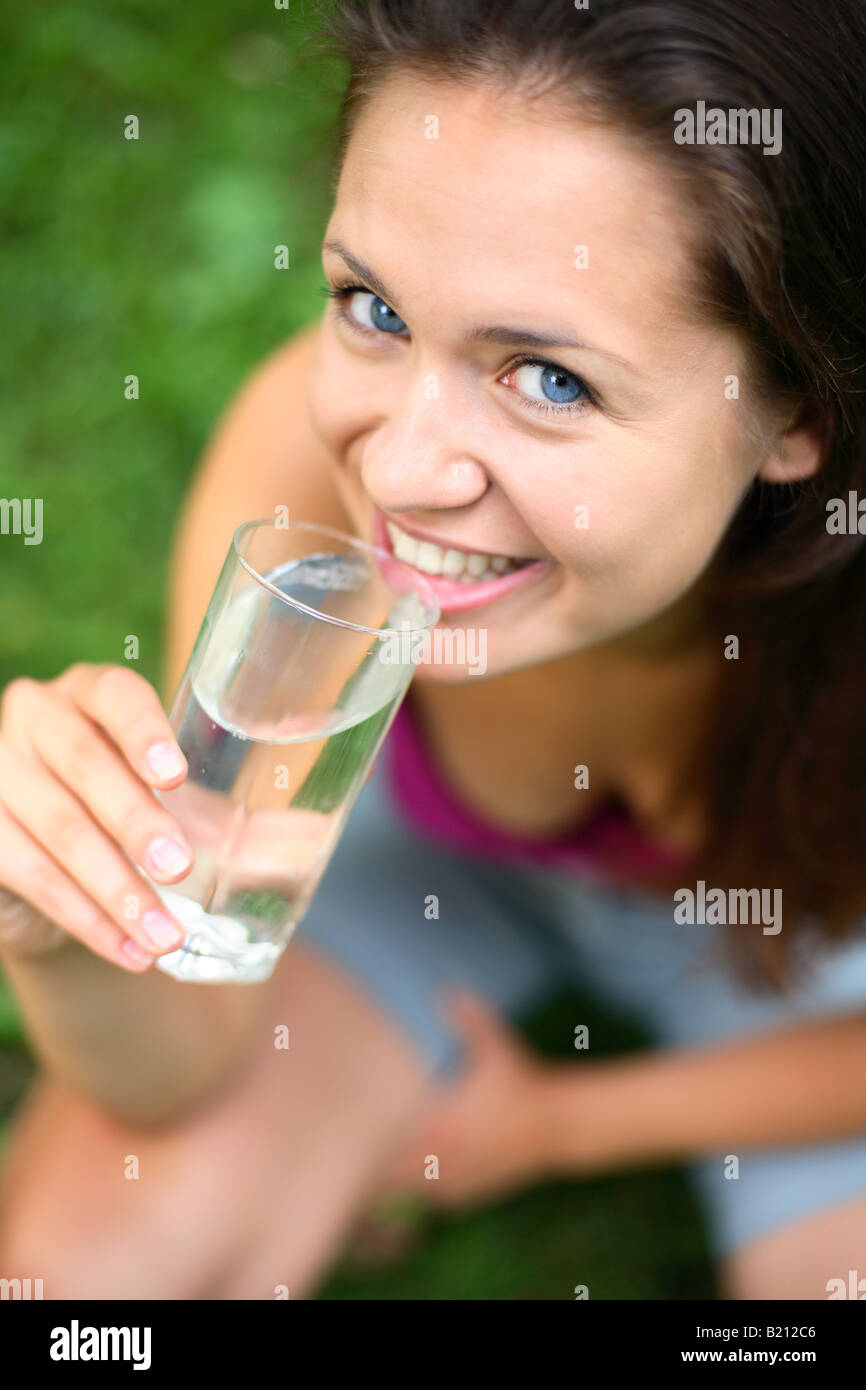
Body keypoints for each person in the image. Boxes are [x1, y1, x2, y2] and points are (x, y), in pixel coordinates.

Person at [1, 0, 866, 1300]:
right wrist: (66, 915)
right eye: (374, 307)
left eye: (549, 379)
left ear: (794, 406)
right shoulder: (295, 495)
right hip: (417, 867)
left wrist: (555, 1125)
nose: (395, 472)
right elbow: (180, 1049)